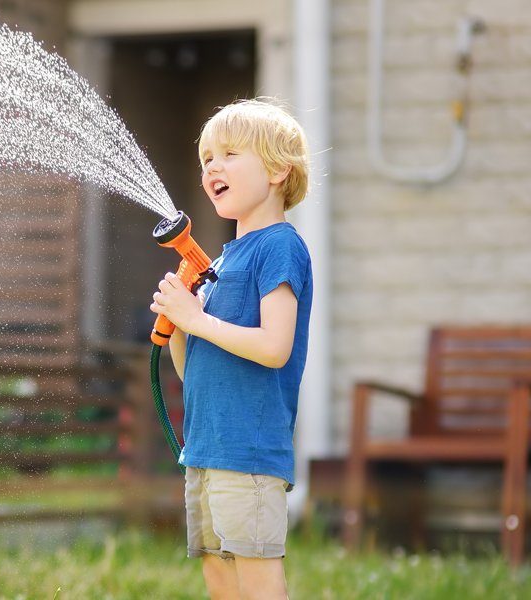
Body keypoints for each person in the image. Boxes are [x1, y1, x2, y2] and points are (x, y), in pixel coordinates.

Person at [149, 98, 313, 600]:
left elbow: (274, 347)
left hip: (248, 449)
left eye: (229, 154)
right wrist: (180, 327)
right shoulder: (221, 260)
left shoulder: (280, 246)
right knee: (220, 580)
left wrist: (198, 317)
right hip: (206, 447)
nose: (212, 167)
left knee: (256, 579)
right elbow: (191, 369)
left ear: (279, 169)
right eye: (206, 159)